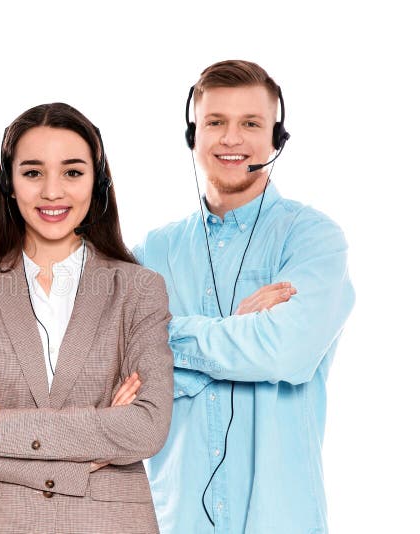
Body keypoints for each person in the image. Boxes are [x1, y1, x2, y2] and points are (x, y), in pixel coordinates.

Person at [0, 102, 173, 534]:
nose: (52, 192)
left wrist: (0, 421)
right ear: (9, 182)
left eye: (73, 172)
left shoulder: (139, 289)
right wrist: (93, 451)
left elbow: (146, 428)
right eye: (33, 172)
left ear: (97, 183)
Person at [137, 60, 355, 533]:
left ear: (277, 139)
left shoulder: (314, 240)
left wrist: (166, 344)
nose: (231, 139)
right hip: (175, 522)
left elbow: (284, 352)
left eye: (251, 124)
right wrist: (239, 332)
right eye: (216, 122)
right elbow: (120, 375)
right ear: (193, 135)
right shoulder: (152, 252)